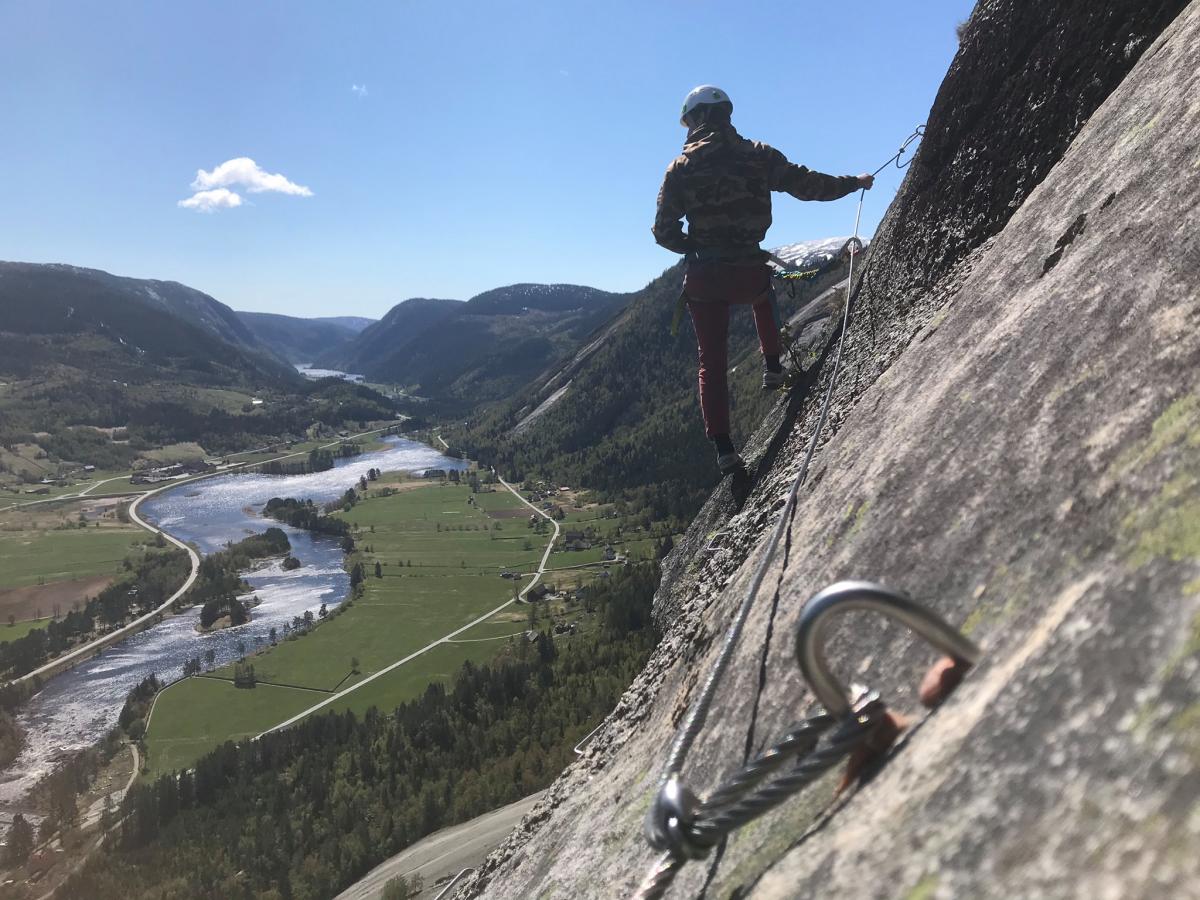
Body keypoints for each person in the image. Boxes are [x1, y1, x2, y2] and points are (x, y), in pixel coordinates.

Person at [653, 85, 874, 475]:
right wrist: (853, 183)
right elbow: (807, 185)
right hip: (747, 269)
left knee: (712, 361)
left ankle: (724, 449)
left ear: (695, 119)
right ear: (725, 114)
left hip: (705, 275)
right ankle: (773, 366)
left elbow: (663, 231)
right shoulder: (757, 155)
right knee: (761, 293)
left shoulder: (680, 168)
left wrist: (697, 246)